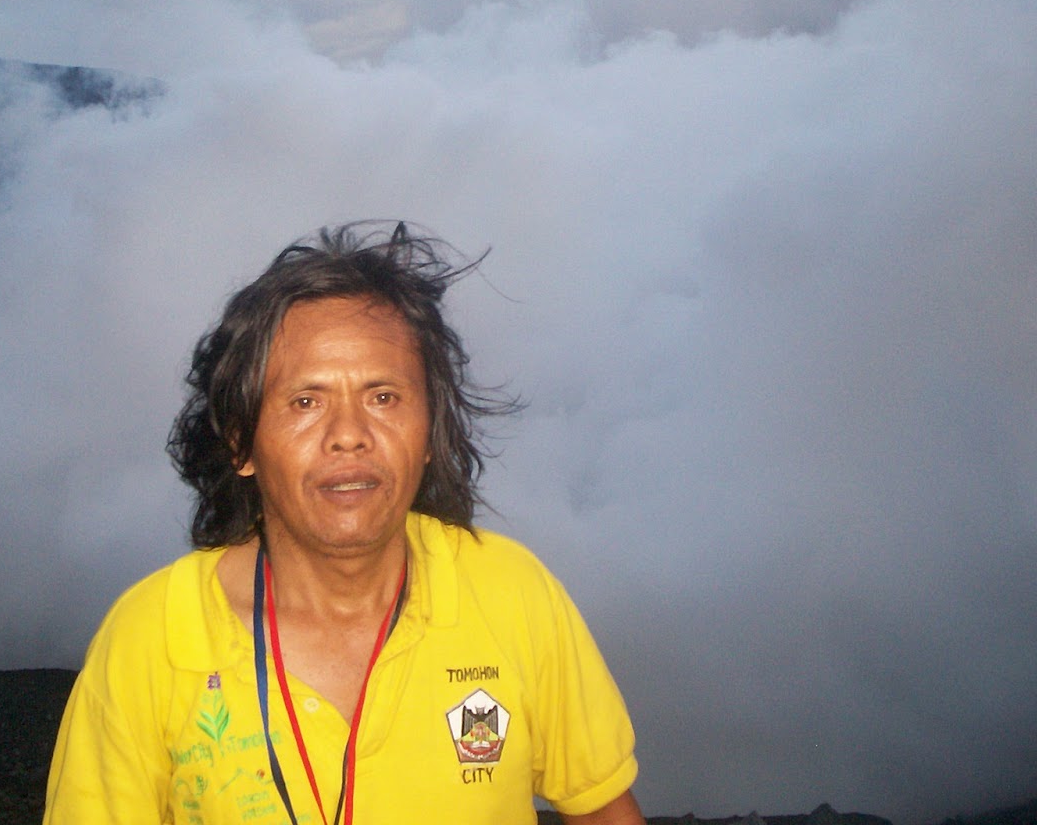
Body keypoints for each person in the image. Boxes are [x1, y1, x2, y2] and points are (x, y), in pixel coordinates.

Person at [44, 222, 646, 825]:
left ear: (431, 431)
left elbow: (601, 809)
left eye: (383, 397)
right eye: (305, 402)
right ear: (241, 444)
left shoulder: (511, 593)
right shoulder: (150, 641)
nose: (350, 434)